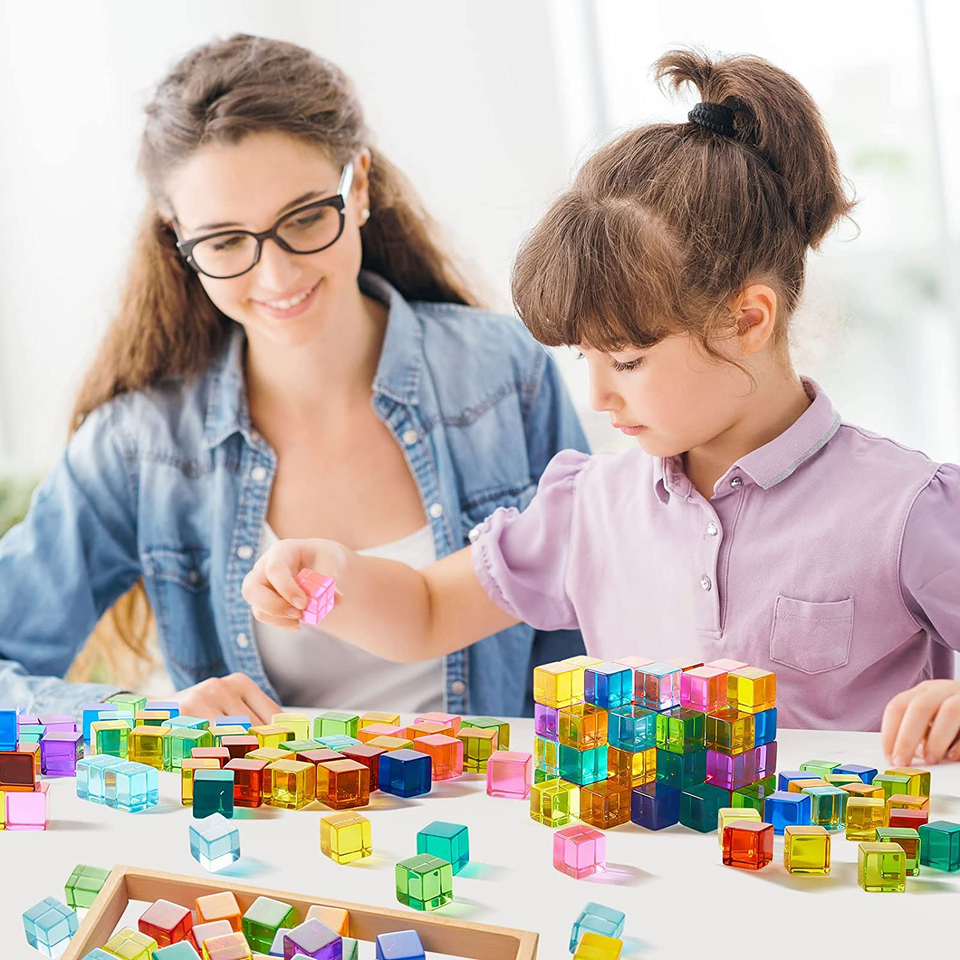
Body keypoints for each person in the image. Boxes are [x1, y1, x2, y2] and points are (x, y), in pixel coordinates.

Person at [244, 49, 960, 766]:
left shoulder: (904, 508)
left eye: (627, 360)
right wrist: (334, 576)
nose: (598, 396)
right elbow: (429, 609)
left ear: (748, 320)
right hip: (649, 869)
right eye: (584, 359)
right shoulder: (592, 505)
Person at [0, 34, 588, 721]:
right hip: (264, 828)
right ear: (178, 242)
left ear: (359, 186)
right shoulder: (140, 444)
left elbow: (591, 638)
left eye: (307, 218)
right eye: (224, 242)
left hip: (502, 820)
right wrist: (146, 721)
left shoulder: (503, 376)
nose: (276, 276)